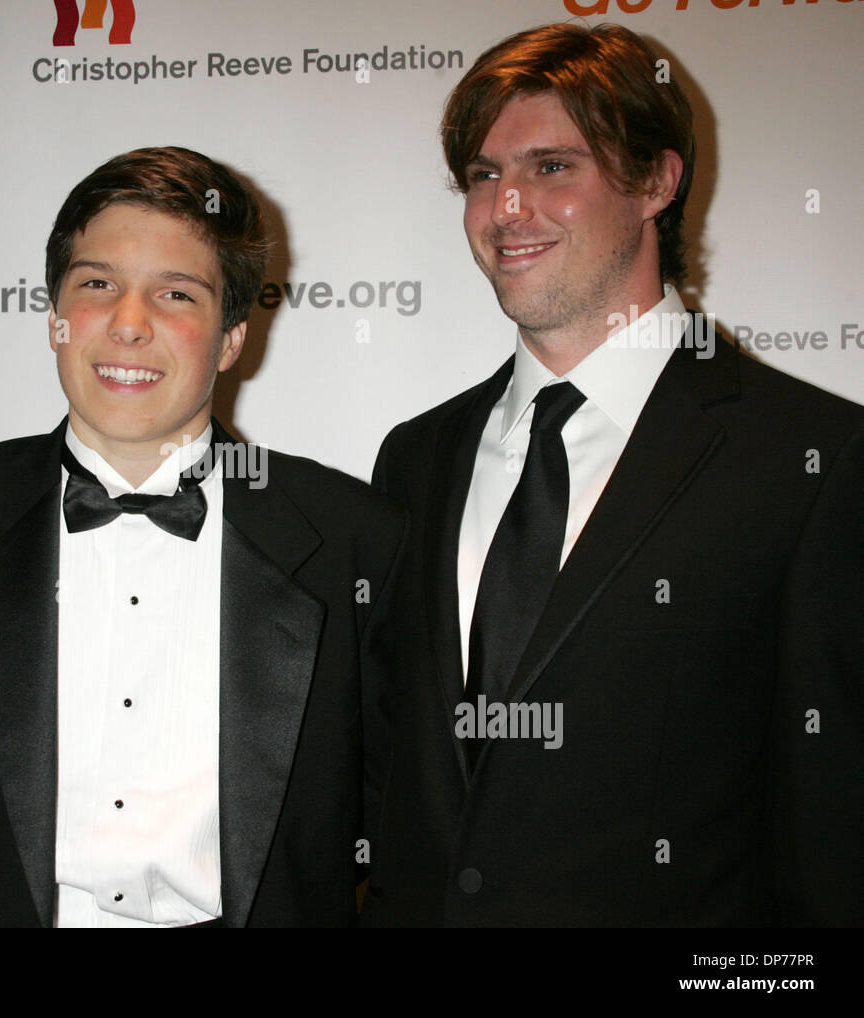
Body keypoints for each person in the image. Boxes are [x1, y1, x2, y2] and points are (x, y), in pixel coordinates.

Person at [364, 23, 863, 926]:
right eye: (484, 175)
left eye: (552, 167)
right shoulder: (416, 457)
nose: (506, 207)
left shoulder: (812, 460)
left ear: (657, 182)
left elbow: (833, 828)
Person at [0, 146, 405, 927]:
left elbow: (383, 816)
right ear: (54, 317)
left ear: (228, 339)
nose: (129, 325)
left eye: (176, 295)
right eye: (97, 285)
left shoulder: (352, 539)